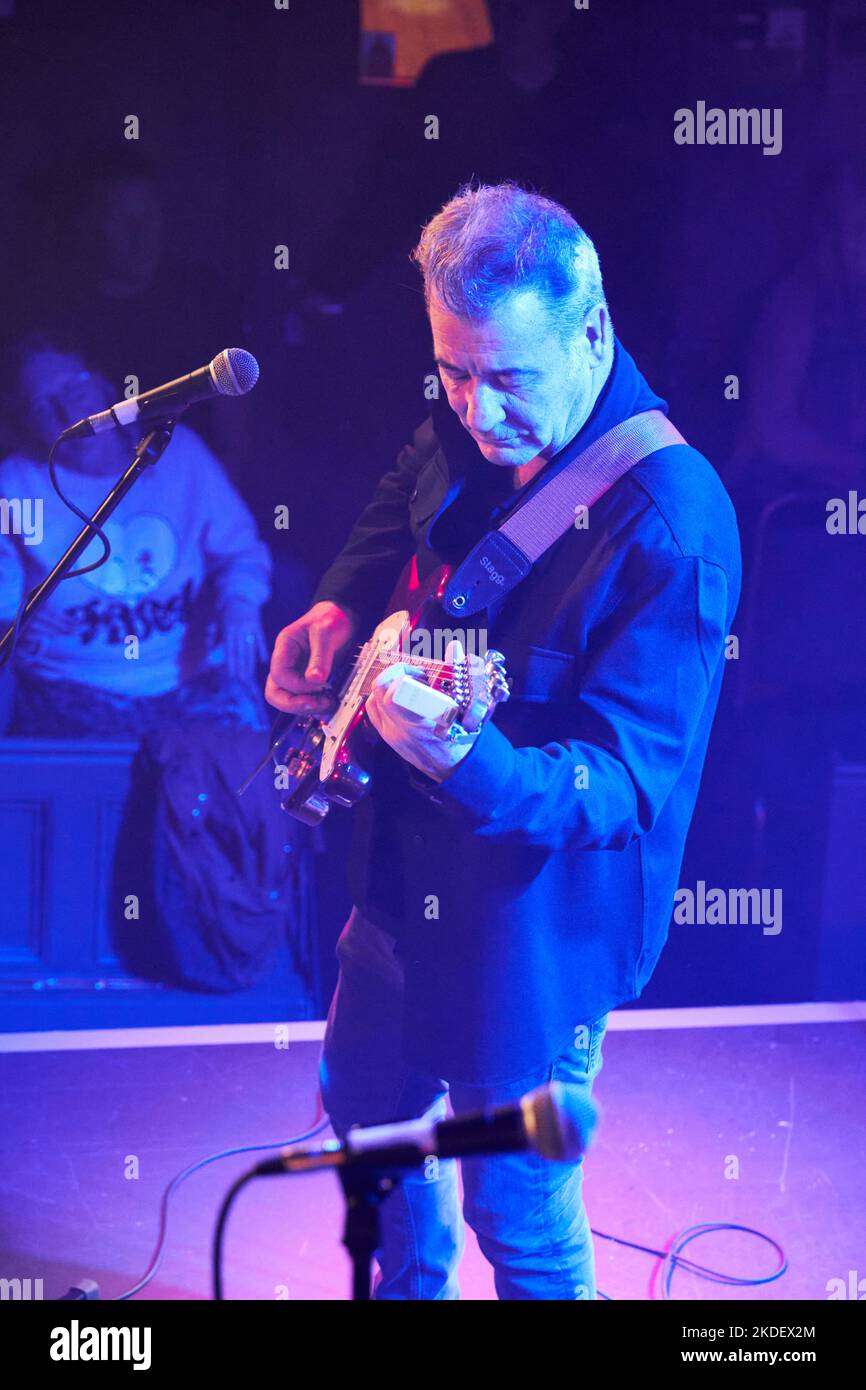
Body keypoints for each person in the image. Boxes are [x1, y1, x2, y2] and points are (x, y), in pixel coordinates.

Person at [265, 183, 741, 1300]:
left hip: (532, 929)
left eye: (508, 379)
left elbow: (622, 786)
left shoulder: (672, 525)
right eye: (454, 372)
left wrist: (462, 763)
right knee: (373, 1129)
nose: (477, 411)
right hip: (398, 875)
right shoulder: (471, 403)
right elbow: (404, 487)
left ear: (591, 332)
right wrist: (337, 603)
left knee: (516, 1212)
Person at [0, 337, 271, 738]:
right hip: (70, 692)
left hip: (190, 682)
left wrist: (240, 603)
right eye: (42, 404)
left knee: (244, 773)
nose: (65, 408)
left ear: (105, 387)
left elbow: (240, 552)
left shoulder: (183, 456)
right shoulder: (15, 485)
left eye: (74, 389)